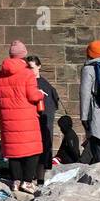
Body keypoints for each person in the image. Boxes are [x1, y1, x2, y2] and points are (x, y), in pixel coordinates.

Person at [0, 42, 44, 194]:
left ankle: (15, 182)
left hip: (8, 119)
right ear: (24, 55)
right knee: (32, 150)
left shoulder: (0, 74)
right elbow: (33, 95)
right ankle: (27, 182)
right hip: (26, 117)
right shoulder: (27, 73)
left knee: (13, 151)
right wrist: (40, 94)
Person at [25, 54, 59, 184]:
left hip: (44, 121)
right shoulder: (27, 83)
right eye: (27, 68)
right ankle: (31, 179)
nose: (30, 70)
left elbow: (54, 103)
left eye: (32, 67)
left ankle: (40, 180)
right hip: (32, 122)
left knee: (43, 151)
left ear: (39, 66)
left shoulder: (46, 85)